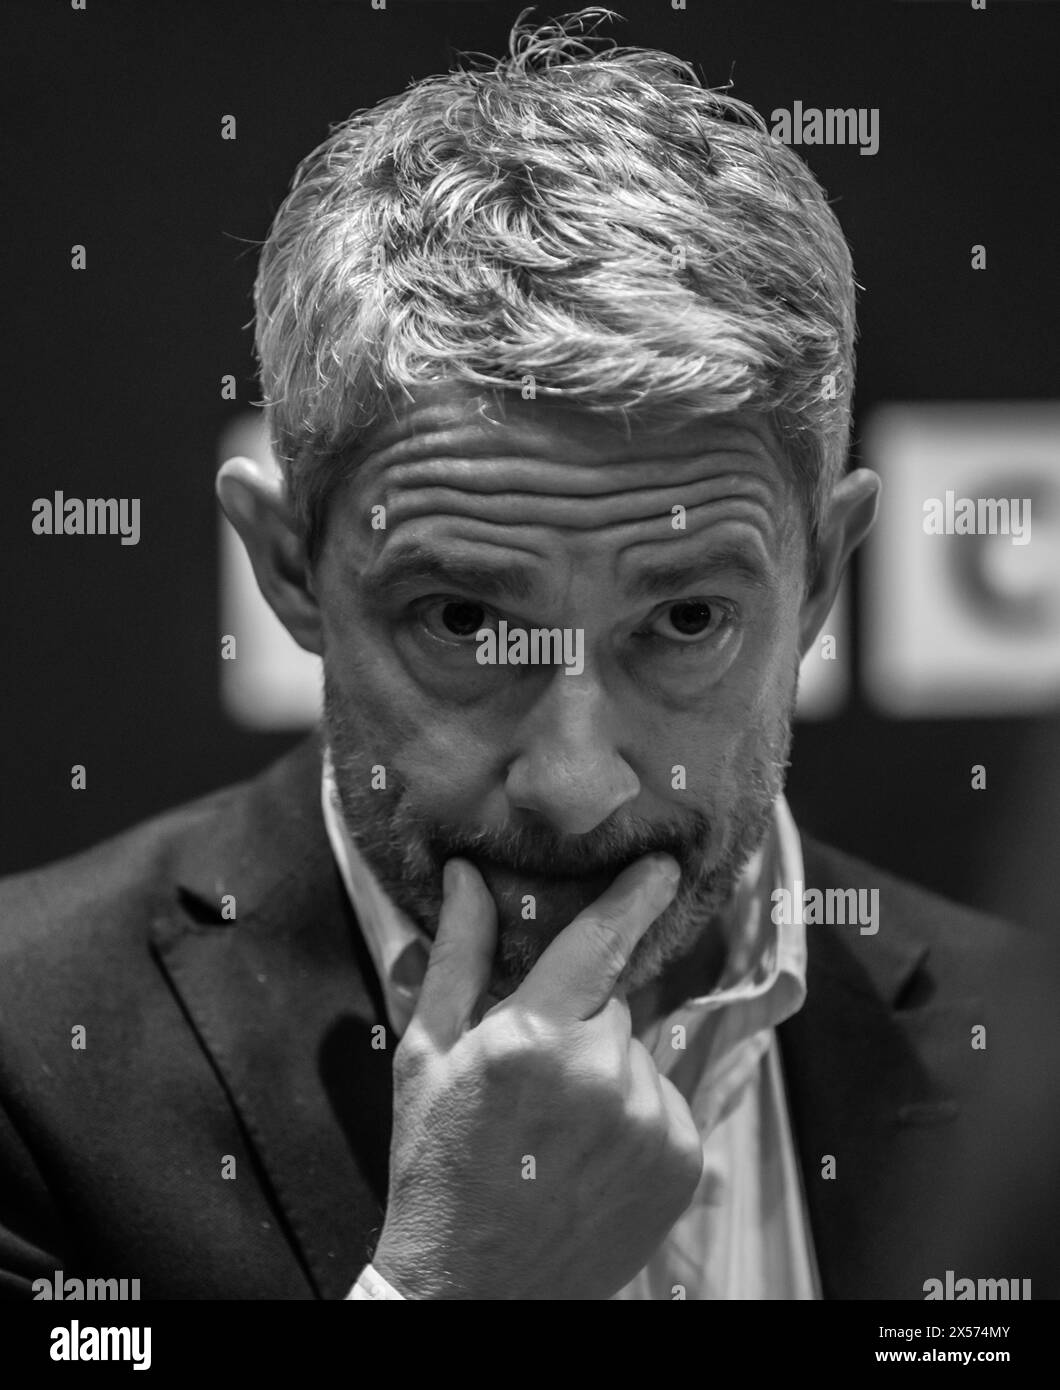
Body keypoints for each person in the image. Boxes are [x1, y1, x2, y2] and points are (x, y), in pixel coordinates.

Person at [1, 9, 1055, 1302]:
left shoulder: (1036, 1074)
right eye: (463, 622)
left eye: (682, 622)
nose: (574, 779)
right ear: (288, 567)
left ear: (826, 575)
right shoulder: (25, 1052)